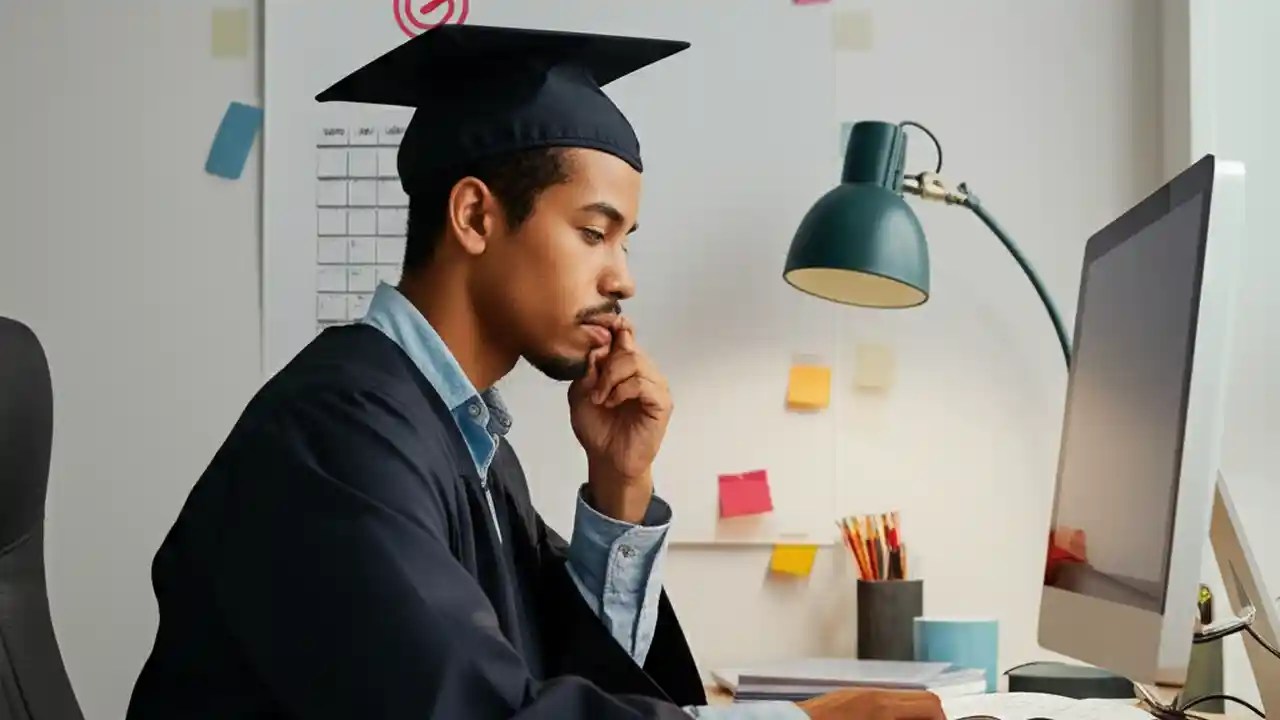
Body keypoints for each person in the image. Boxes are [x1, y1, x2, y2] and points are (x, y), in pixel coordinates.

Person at [125, 24, 945, 720]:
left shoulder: (457, 430)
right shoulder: (337, 434)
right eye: (596, 232)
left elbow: (561, 676)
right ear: (477, 217)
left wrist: (619, 484)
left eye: (626, 241)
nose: (623, 277)